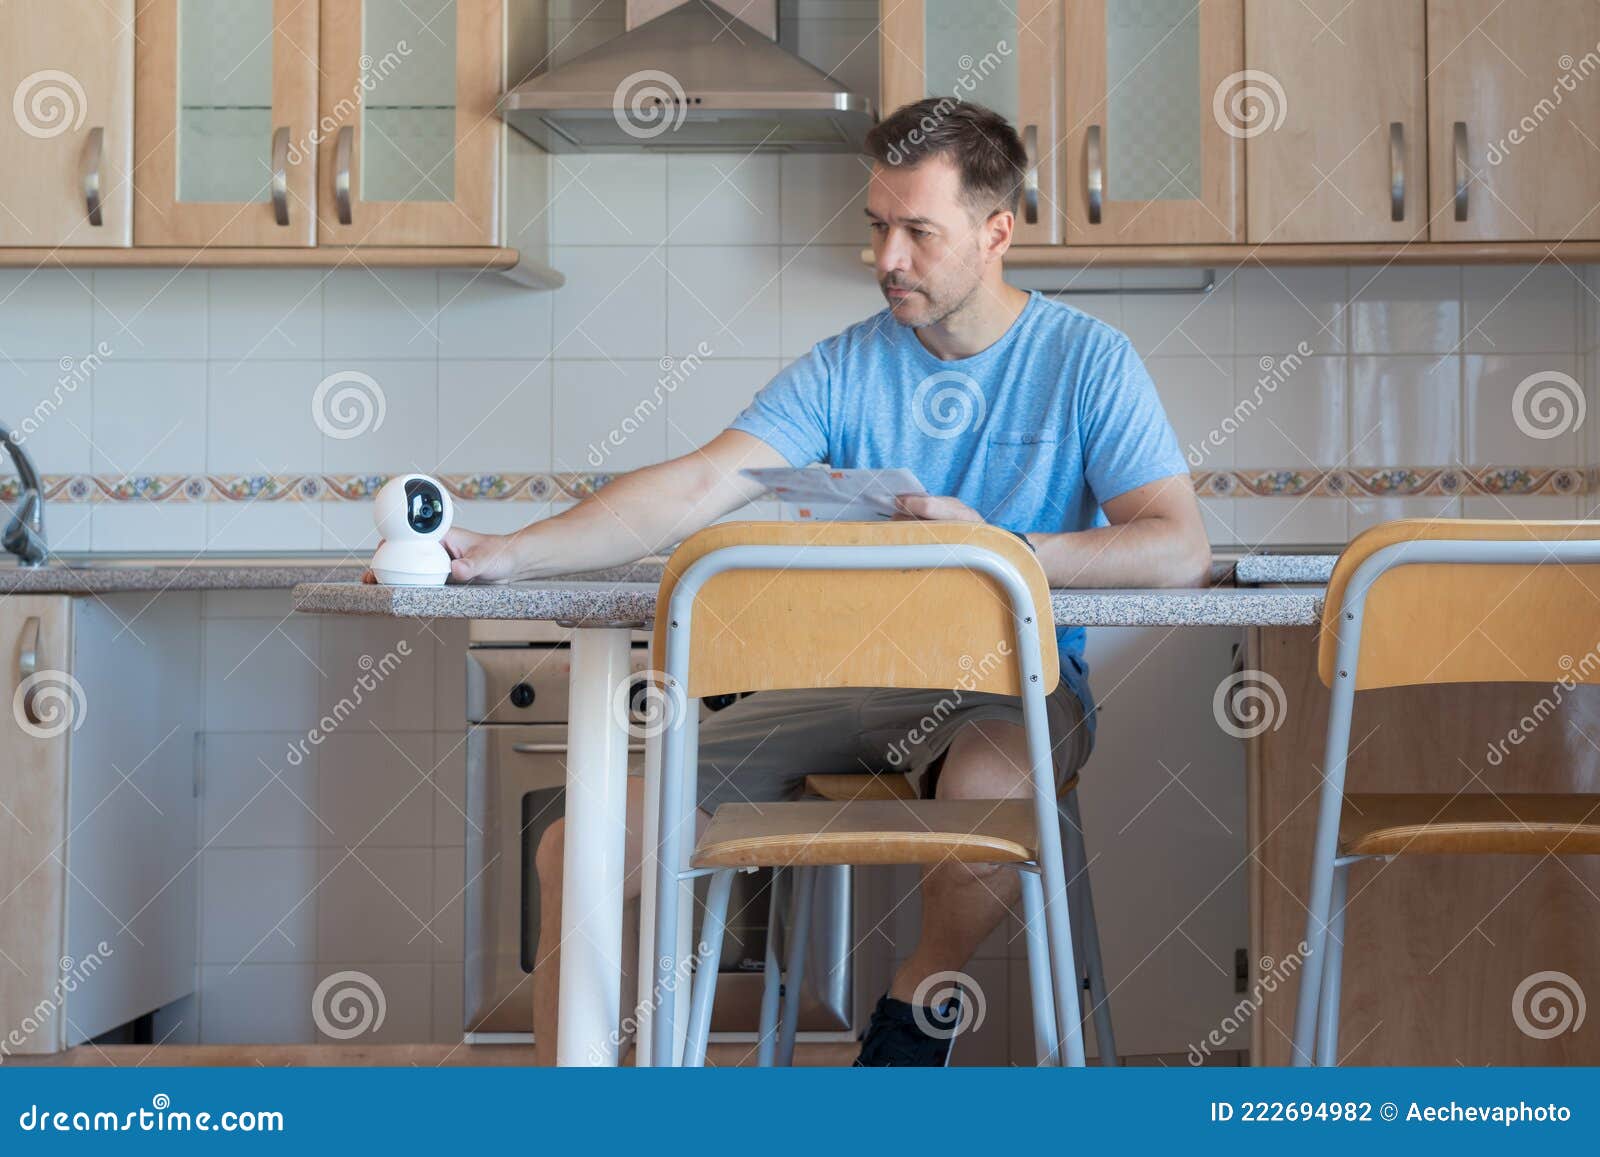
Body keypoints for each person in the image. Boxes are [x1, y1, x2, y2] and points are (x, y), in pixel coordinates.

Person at [368, 98, 1210, 1065]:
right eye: (876, 226)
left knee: (984, 779)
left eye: (917, 232)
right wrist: (506, 549)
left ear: (996, 231)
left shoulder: (1086, 361)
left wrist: (1000, 549)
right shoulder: (846, 368)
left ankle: (904, 1027)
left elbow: (1176, 546)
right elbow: (693, 486)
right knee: (577, 845)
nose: (886, 257)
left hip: (1013, 693)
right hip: (842, 689)